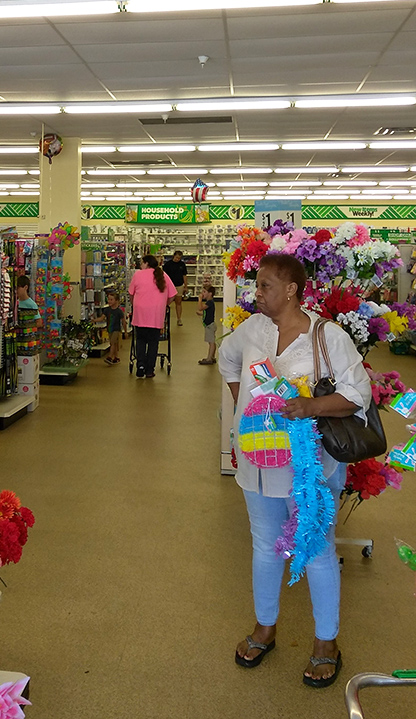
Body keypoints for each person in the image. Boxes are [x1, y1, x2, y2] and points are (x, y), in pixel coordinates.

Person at [218, 253, 371, 688]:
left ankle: (327, 641)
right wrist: (248, 406)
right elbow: (229, 361)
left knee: (318, 550)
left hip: (308, 467)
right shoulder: (253, 329)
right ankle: (265, 626)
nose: (256, 293)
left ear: (291, 290)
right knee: (264, 544)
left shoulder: (327, 336)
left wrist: (311, 406)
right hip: (257, 463)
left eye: (265, 286)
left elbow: (359, 392)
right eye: (256, 285)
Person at [128, 254, 176, 379]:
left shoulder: (138, 275)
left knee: (140, 340)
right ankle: (150, 370)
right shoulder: (163, 275)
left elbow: (131, 294)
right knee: (153, 342)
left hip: (140, 314)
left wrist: (135, 303)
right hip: (156, 315)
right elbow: (173, 295)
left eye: (142, 263)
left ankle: (140, 366)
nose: (140, 265)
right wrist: (164, 304)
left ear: (146, 263)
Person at [94, 292, 127, 365]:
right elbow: (102, 318)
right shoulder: (107, 310)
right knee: (113, 344)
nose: (109, 301)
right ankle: (116, 357)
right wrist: (94, 320)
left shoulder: (119, 311)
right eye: (108, 299)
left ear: (116, 301)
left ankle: (109, 357)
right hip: (109, 329)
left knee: (112, 343)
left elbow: (123, 322)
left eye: (111, 299)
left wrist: (125, 331)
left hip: (116, 330)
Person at [163, 251, 188, 325]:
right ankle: (164, 318)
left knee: (179, 302)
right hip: (169, 286)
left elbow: (184, 275)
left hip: (179, 285)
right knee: (166, 303)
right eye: (176, 257)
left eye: (179, 258)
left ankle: (179, 319)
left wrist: (185, 286)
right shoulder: (168, 264)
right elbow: (164, 276)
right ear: (173, 256)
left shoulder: (182, 264)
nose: (177, 259)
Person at [196, 285, 217, 365]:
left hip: (209, 326)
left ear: (210, 294)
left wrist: (199, 300)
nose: (202, 293)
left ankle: (209, 358)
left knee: (211, 342)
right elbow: (207, 313)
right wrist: (201, 314)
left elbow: (200, 308)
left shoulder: (209, 302)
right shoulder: (210, 303)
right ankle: (212, 356)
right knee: (211, 341)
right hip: (210, 325)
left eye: (204, 292)